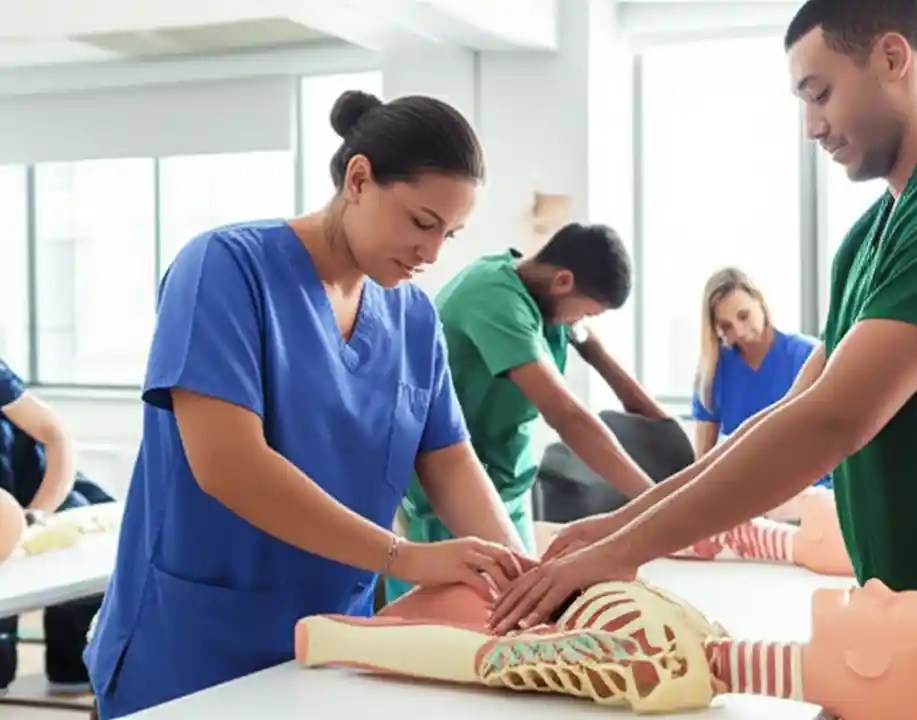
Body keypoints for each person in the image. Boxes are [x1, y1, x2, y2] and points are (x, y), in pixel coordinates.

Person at [488, 1, 917, 718]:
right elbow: (790, 414)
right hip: (902, 623)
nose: (812, 125)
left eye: (821, 93)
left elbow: (831, 423)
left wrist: (625, 551)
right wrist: (621, 527)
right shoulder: (873, 235)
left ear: (892, 58)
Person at [82, 90, 538, 719]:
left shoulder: (412, 317)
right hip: (196, 647)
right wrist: (405, 558)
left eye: (449, 234)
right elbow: (229, 466)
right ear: (359, 179)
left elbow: (451, 462)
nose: (432, 254)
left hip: (332, 647)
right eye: (421, 222)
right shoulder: (225, 269)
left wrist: (527, 584)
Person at [386, 222, 669, 604]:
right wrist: (656, 503)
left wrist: (594, 349)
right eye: (586, 312)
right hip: (451, 498)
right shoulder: (492, 297)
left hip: (507, 489)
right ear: (564, 280)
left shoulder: (542, 298)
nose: (579, 323)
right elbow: (567, 416)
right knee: (455, 620)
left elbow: (592, 352)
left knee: (525, 608)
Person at [0, 358, 113, 696]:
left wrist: (39, 511)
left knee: (79, 663)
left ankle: (77, 671)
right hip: (10, 510)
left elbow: (56, 435)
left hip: (45, 490)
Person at [690, 267, 828, 488]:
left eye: (744, 316)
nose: (739, 331)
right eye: (726, 326)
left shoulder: (806, 355)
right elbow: (702, 463)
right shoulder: (713, 370)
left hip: (808, 487)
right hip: (747, 491)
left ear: (760, 302)